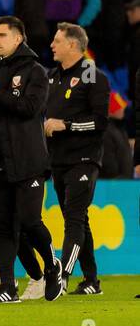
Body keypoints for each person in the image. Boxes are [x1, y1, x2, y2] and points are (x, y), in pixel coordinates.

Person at [0, 15, 62, 303]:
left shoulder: (35, 71)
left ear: (18, 38)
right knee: (1, 227)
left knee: (31, 221)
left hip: (28, 161)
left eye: (1, 36)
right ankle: (8, 286)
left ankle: (51, 265)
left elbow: (30, 109)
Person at [45, 23, 109, 296]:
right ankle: (92, 280)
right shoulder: (52, 77)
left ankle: (63, 277)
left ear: (73, 45)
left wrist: (66, 125)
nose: (51, 45)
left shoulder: (93, 75)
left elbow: (100, 121)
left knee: (73, 218)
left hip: (84, 158)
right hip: (57, 160)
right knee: (78, 219)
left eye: (57, 41)